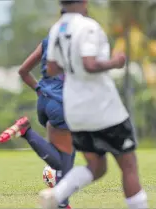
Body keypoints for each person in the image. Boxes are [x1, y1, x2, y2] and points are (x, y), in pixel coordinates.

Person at [39, 1, 149, 209]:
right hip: (103, 108)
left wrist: (73, 66)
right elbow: (90, 64)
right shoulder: (88, 26)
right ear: (84, 2)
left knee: (96, 166)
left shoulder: (57, 29)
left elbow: (51, 68)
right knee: (128, 165)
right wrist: (115, 63)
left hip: (75, 111)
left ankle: (57, 195)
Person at [0, 8, 74, 209]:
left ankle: (62, 203)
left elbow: (23, 71)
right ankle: (27, 132)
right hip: (61, 103)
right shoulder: (78, 40)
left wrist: (40, 90)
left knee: (62, 157)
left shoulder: (48, 40)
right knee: (65, 159)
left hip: (44, 102)